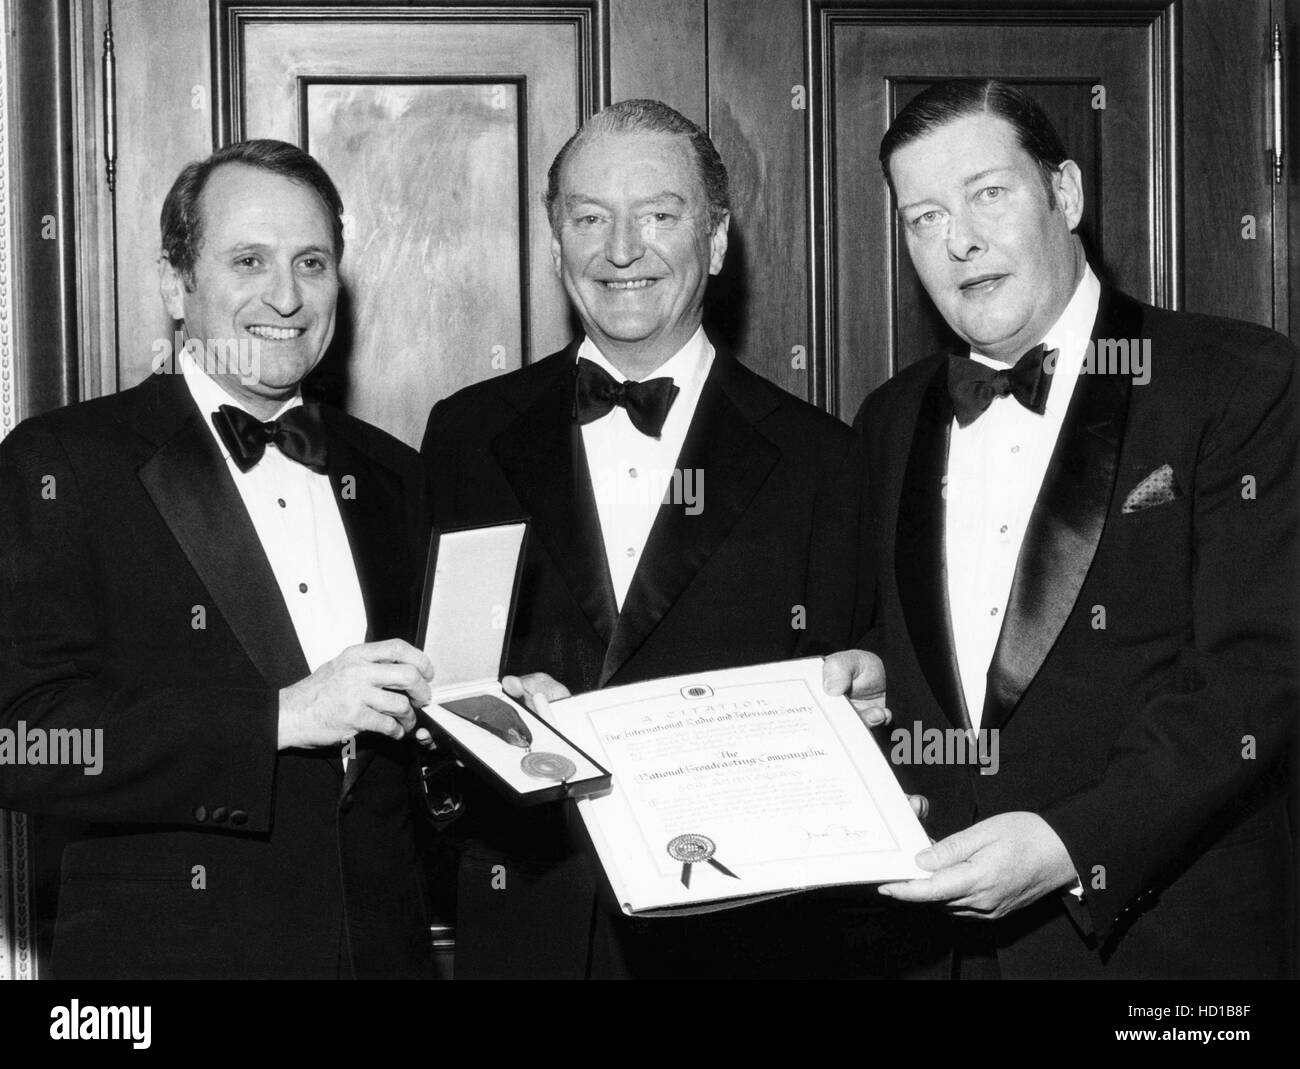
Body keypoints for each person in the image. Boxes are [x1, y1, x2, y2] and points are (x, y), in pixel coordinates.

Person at [422, 99, 883, 978]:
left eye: (659, 216)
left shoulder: (823, 457)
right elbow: (437, 689)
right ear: (556, 245)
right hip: (526, 927)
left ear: (715, 242)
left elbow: (852, 702)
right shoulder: (465, 435)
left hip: (745, 945)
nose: (621, 249)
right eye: (589, 218)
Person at [853, 79, 1297, 978]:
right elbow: (907, 653)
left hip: (1165, 958)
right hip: (935, 951)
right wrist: (866, 677)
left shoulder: (1237, 380)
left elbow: (1260, 672)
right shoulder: (889, 418)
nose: (959, 241)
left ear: (1066, 195)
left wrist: (1070, 843)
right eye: (923, 217)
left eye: (988, 193)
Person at [0, 139, 438, 979]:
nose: (286, 295)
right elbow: (24, 739)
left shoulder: (392, 473)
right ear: (176, 284)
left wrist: (502, 721)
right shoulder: (65, 462)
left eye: (312, 262)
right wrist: (278, 718)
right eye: (249, 260)